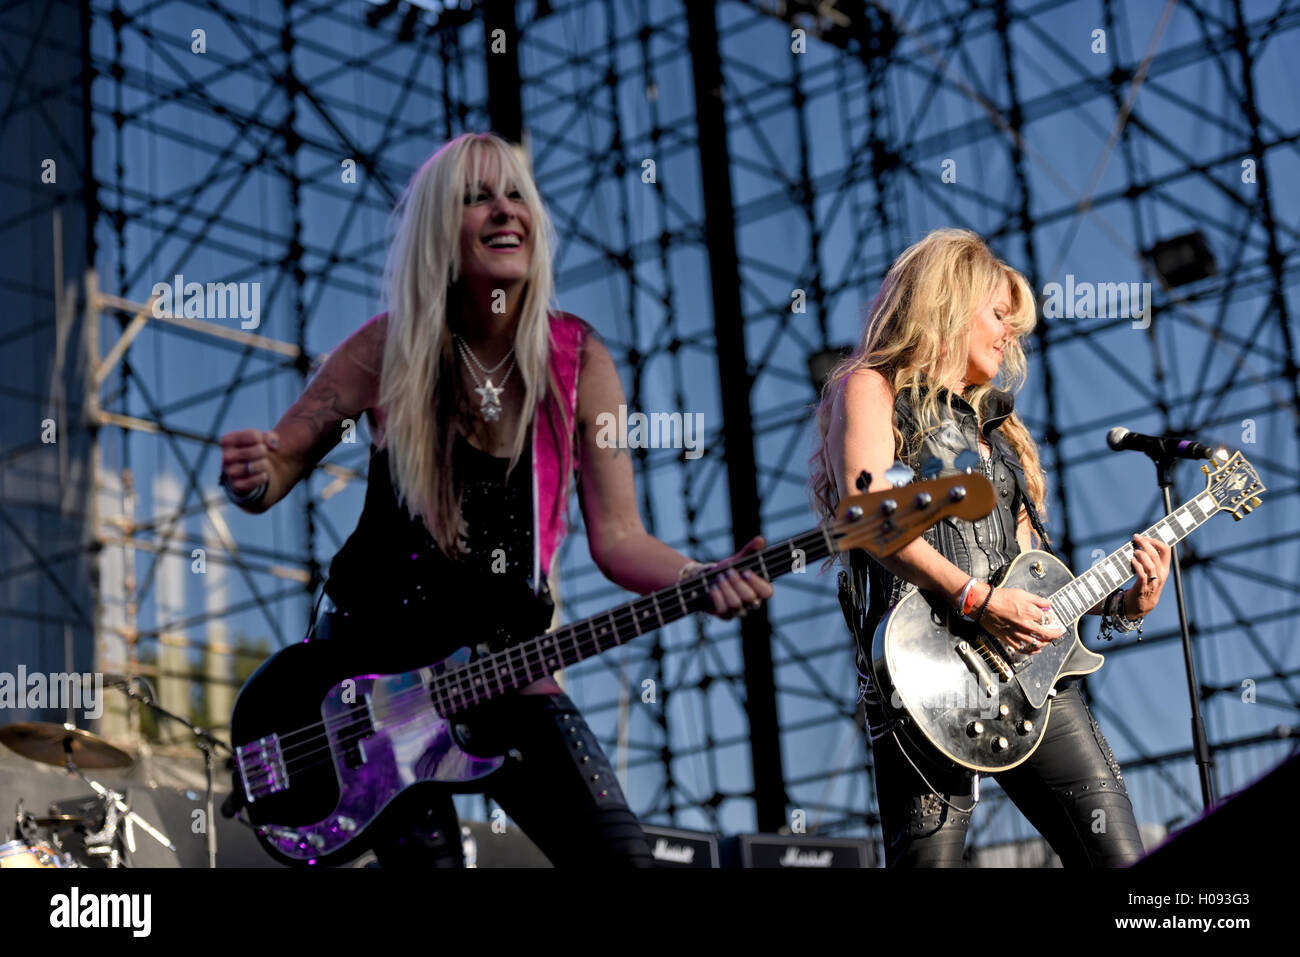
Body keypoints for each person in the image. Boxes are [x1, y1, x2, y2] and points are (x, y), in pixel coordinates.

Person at [218, 132, 773, 867]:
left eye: (515, 195)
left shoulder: (579, 360)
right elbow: (277, 467)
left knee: (623, 860)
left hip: (506, 667)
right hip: (374, 687)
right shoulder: (386, 349)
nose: (504, 211)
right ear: (437, 233)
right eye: (476, 198)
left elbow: (619, 537)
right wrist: (257, 472)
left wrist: (696, 577)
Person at [809, 228, 1171, 867]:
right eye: (1000, 315)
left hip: (1033, 684)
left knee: (1122, 864)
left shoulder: (1001, 436)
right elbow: (865, 519)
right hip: (923, 674)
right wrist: (975, 598)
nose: (1012, 334)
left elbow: (1036, 592)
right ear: (948, 304)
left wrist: (1126, 607)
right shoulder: (873, 387)